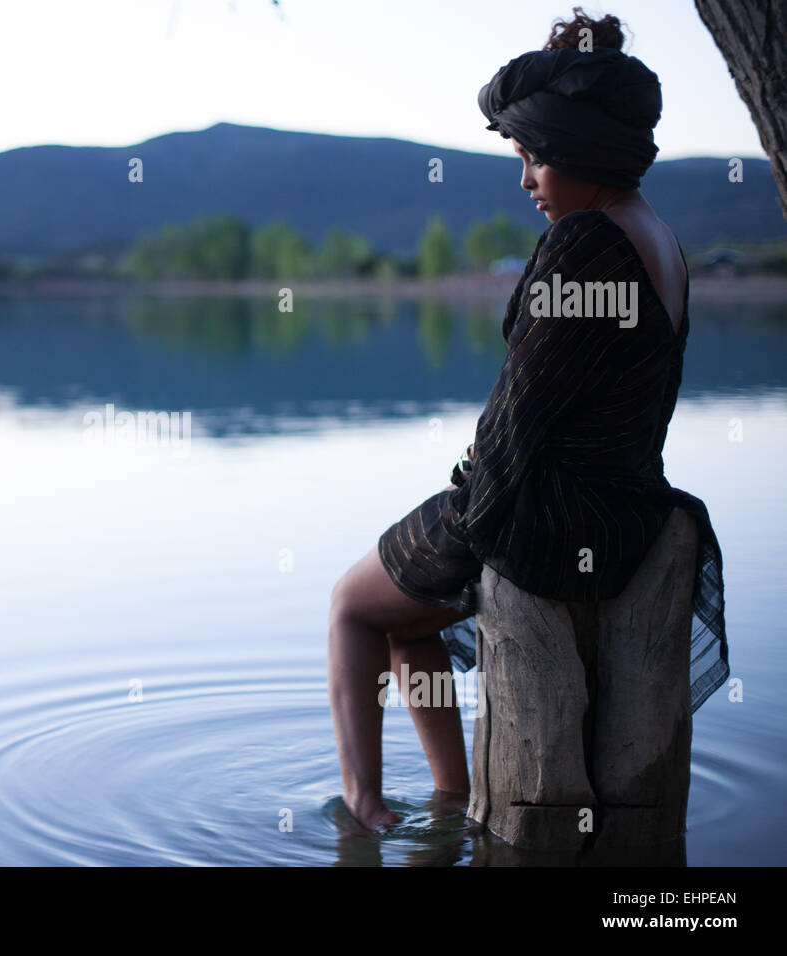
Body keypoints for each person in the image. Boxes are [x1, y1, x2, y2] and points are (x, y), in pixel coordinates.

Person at [327, 8, 729, 832]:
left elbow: (514, 420)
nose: (525, 181)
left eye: (533, 156)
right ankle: (450, 797)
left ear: (582, 147)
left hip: (551, 516)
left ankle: (367, 809)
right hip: (628, 502)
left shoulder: (585, 243)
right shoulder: (659, 238)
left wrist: (467, 518)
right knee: (412, 631)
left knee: (352, 605)